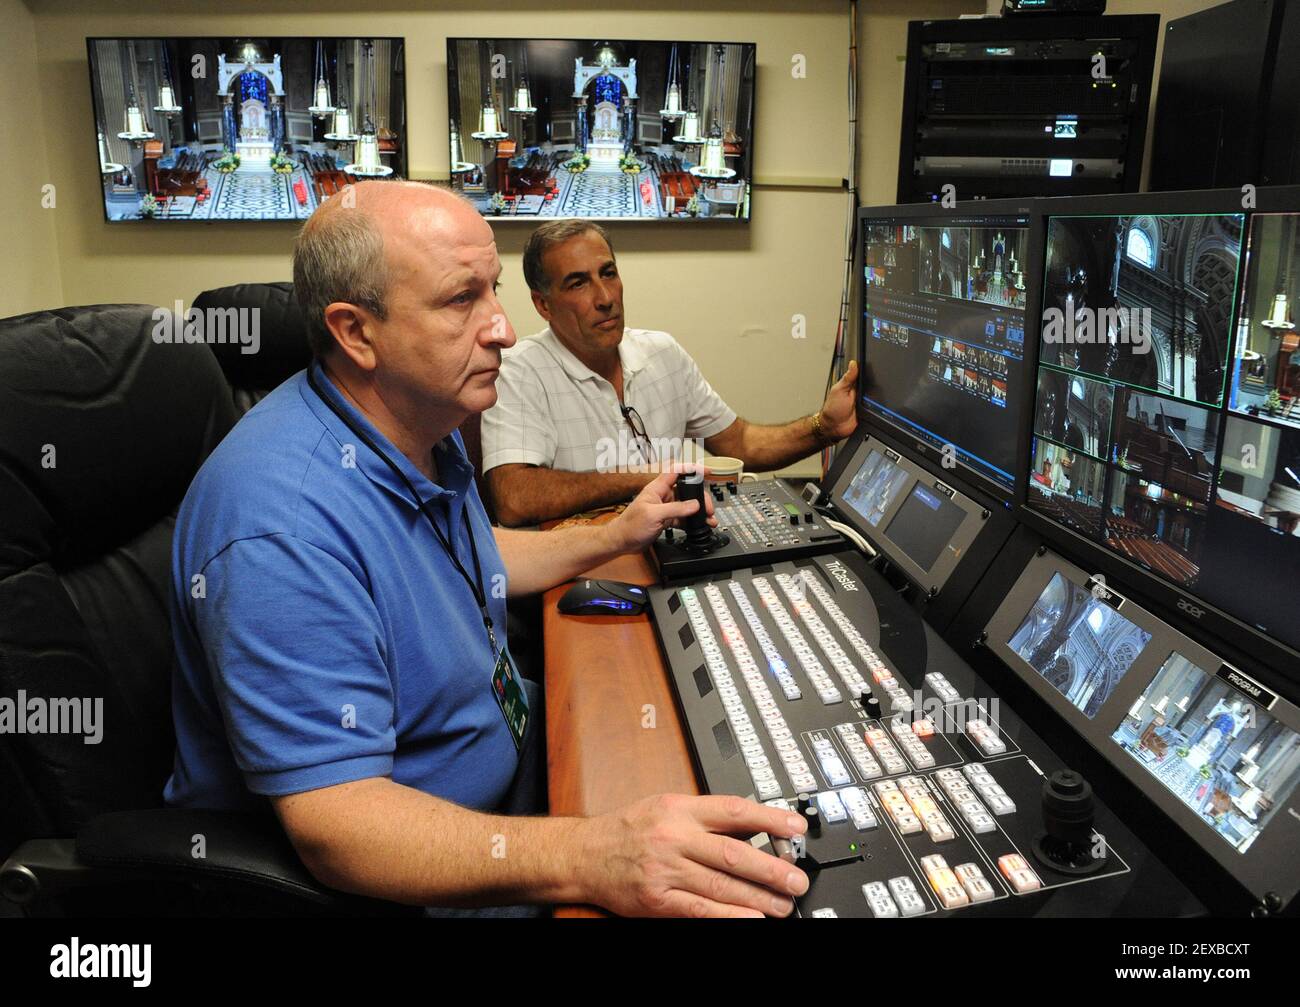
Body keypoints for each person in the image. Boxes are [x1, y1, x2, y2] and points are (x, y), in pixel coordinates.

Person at [164, 181, 808, 918]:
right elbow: (339, 827)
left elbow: (469, 558)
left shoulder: (418, 430)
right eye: (460, 299)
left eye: (494, 291)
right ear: (356, 332)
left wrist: (617, 532)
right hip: (428, 879)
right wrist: (596, 853)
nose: (502, 327)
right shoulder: (280, 530)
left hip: (517, 785)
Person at [481, 219, 859, 526]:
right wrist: (652, 477)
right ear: (543, 305)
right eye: (578, 283)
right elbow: (514, 497)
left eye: (608, 273)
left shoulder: (662, 353)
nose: (605, 298)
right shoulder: (520, 370)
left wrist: (824, 427)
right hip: (580, 577)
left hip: (669, 553)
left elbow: (740, 443)